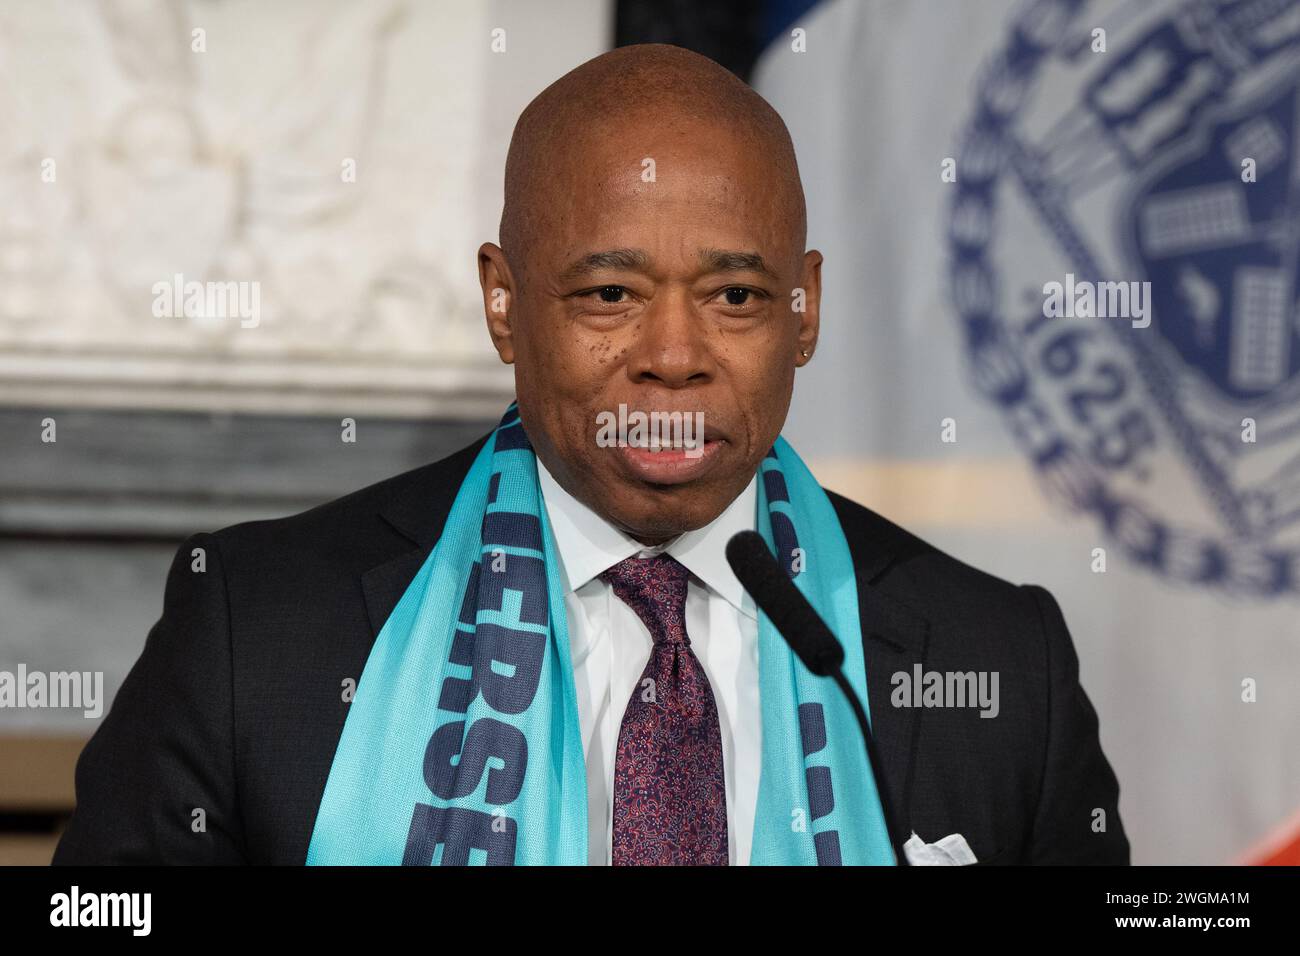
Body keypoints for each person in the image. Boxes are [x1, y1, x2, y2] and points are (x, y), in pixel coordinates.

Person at [54, 43, 1128, 866]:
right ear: (504, 303)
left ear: (805, 311)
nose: (671, 356)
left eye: (736, 297)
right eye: (609, 293)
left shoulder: (998, 665)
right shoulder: (258, 632)